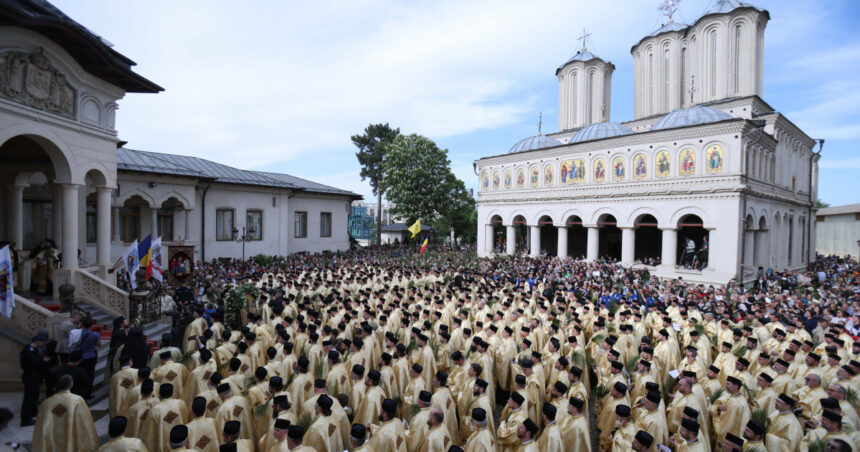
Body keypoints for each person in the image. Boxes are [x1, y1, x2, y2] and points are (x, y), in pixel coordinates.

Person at [31, 374, 99, 452]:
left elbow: (40, 427)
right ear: (71, 385)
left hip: (53, 441)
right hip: (71, 440)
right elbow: (85, 424)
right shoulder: (77, 401)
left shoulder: (47, 403)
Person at [20, 330, 50, 426]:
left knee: (34, 396)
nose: (43, 344)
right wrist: (44, 362)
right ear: (37, 341)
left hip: (34, 376)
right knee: (29, 398)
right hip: (31, 377)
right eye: (42, 342)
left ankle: (33, 412)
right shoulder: (29, 352)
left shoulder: (31, 350)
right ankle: (25, 419)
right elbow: (34, 365)